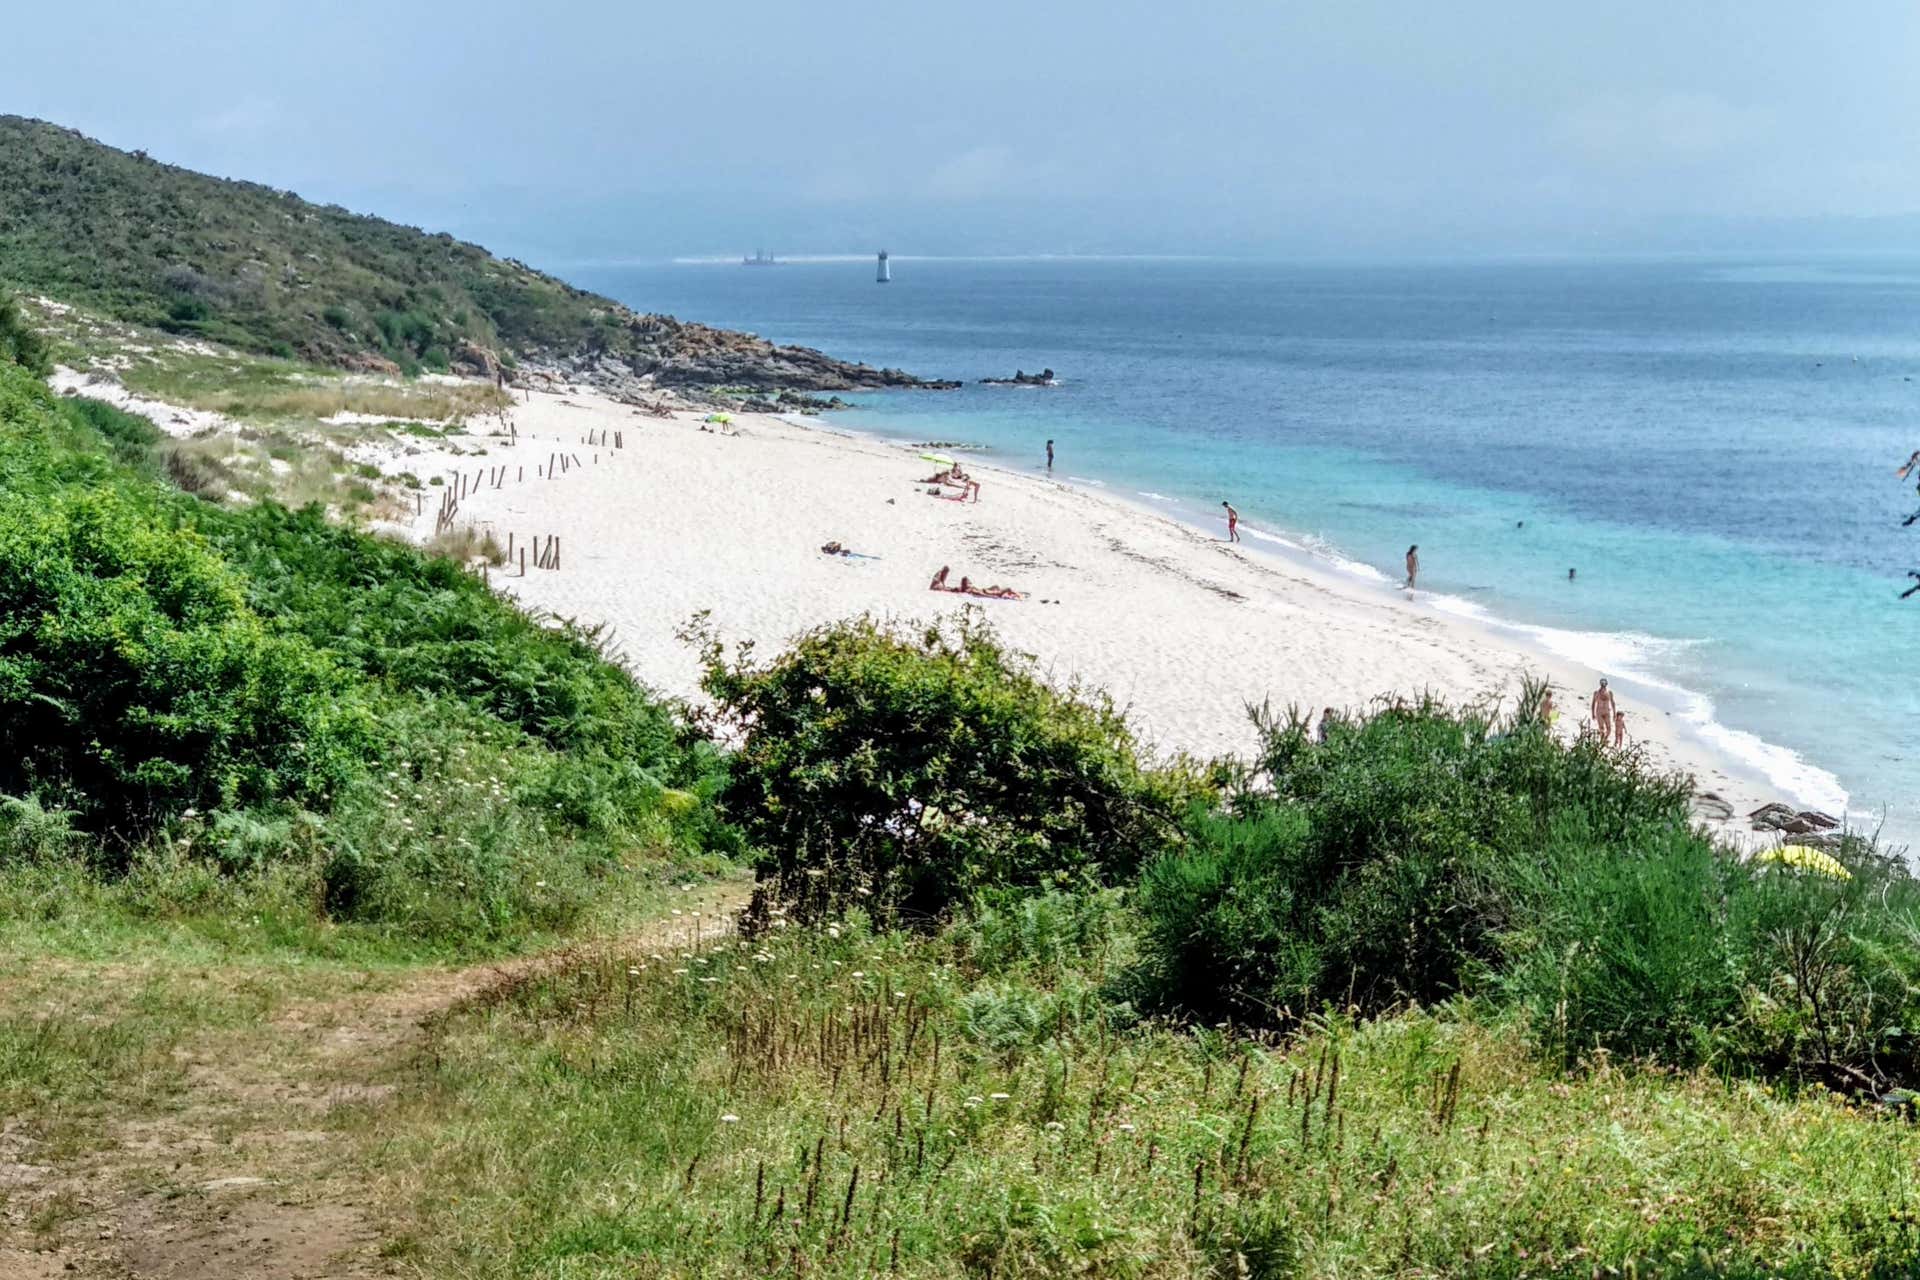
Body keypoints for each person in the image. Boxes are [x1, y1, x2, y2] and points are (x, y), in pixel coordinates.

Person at [1590, 679, 1617, 746]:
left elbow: (1613, 703)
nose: (1603, 684)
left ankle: (1604, 740)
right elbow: (1593, 703)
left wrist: (1614, 713)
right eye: (1602, 683)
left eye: (1604, 683)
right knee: (1601, 728)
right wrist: (1593, 713)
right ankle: (1602, 741)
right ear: (1600, 684)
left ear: (1606, 684)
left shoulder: (1609, 693)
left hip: (1607, 712)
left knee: (1609, 729)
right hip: (1599, 712)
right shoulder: (1596, 693)